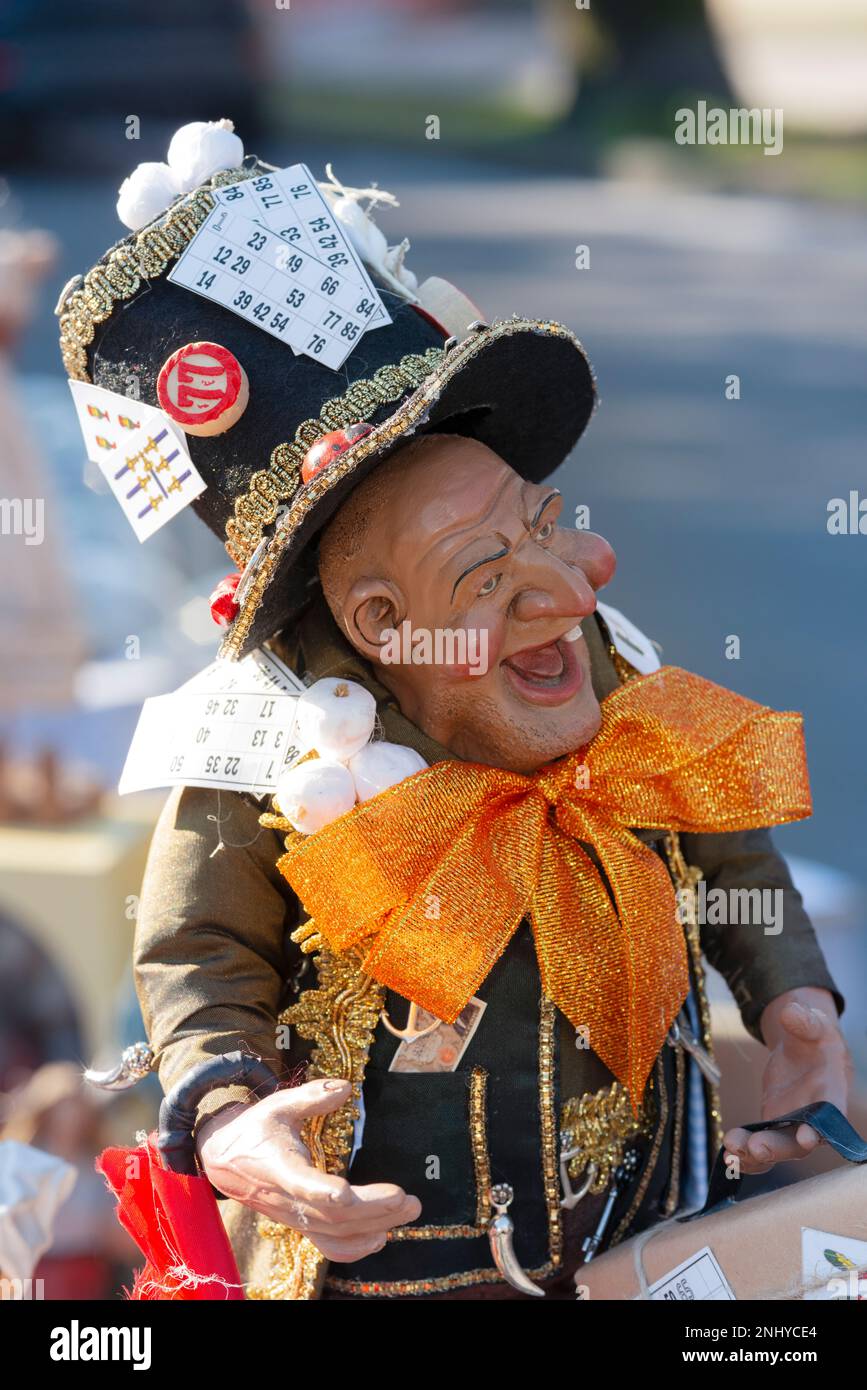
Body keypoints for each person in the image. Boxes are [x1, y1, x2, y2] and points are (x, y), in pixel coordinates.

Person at [61, 120, 850, 1300]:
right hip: (397, 1270)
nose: (575, 580)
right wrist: (232, 1124)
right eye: (488, 573)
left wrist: (788, 996)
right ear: (382, 622)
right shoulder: (269, 738)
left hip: (648, 1233)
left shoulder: (604, 659)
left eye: (547, 522)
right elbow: (198, 955)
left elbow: (713, 818)